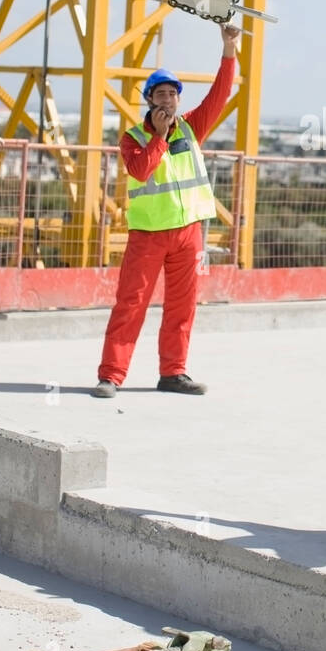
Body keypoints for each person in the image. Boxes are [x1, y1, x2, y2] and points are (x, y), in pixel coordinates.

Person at [92, 24, 240, 397]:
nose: (169, 100)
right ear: (150, 100)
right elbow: (141, 169)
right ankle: (111, 375)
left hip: (187, 233)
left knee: (182, 306)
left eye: (173, 94)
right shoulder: (133, 138)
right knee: (130, 305)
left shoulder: (191, 128)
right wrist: (158, 137)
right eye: (161, 94)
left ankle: (173, 373)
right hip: (148, 235)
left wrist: (228, 49)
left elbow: (219, 96)